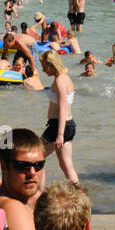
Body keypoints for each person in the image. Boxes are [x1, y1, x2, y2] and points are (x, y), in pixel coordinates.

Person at [40, 51, 78, 183]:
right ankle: (79, 198)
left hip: (59, 127)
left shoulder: (60, 81)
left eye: (45, 66)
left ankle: (39, 193)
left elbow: (63, 108)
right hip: (68, 125)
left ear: (52, 65)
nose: (43, 70)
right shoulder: (65, 77)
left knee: (36, 158)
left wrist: (60, 134)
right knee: (66, 166)